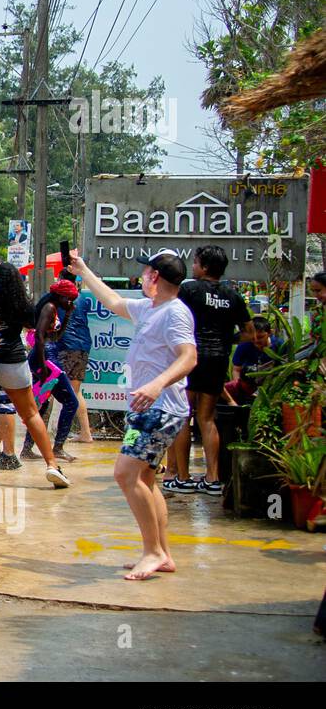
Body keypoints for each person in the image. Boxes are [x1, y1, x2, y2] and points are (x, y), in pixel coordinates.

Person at [70, 250, 197, 580]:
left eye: (145, 271)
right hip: (145, 411)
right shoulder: (149, 308)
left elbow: (189, 358)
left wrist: (156, 385)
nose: (140, 277)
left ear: (155, 276)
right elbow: (112, 301)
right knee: (144, 478)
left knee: (125, 474)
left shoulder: (175, 313)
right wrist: (83, 270)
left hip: (160, 409)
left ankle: (153, 552)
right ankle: (162, 553)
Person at [163, 245, 252, 496]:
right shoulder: (233, 295)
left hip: (190, 358)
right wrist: (226, 341)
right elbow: (249, 332)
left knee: (183, 415)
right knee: (207, 418)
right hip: (218, 359)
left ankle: (182, 476)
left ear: (203, 267)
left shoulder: (189, 289)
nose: (192, 267)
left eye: (195, 263)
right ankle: (212, 479)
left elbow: (170, 314)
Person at [0, 262, 72, 490]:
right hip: (13, 360)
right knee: (30, 413)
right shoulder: (20, 302)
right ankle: (51, 465)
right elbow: (34, 326)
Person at [20, 278, 81, 461]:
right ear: (60, 296)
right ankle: (58, 448)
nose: (69, 302)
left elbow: (54, 336)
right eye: (68, 299)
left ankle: (27, 449)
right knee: (71, 402)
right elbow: (39, 336)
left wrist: (68, 315)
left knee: (42, 403)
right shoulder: (49, 308)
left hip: (46, 355)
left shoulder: (55, 308)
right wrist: (43, 365)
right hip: (45, 357)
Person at [54, 271, 96, 444]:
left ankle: (83, 433)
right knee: (76, 391)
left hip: (67, 346)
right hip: (83, 345)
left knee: (71, 393)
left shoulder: (59, 299)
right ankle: (85, 432)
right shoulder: (82, 299)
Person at [225, 316, 278, 404]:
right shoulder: (244, 344)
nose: (256, 340)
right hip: (247, 384)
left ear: (270, 333)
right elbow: (236, 369)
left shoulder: (279, 345)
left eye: (260, 337)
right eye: (253, 337)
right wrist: (239, 389)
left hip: (270, 385)